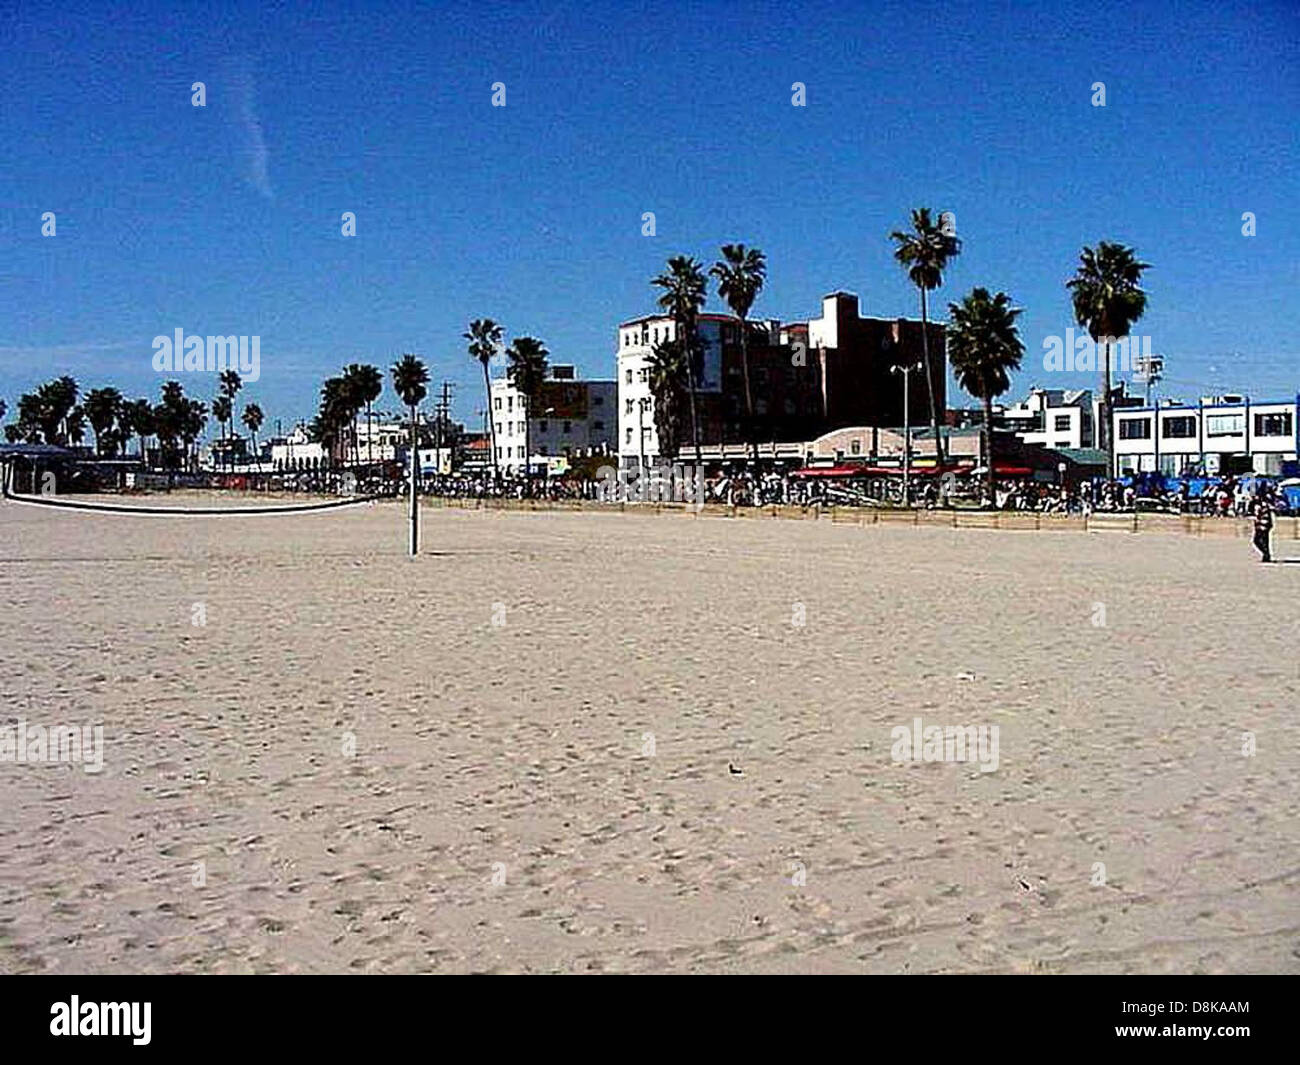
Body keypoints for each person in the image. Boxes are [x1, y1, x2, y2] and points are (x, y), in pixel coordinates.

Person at [1251, 488, 1274, 563]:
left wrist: (1257, 520)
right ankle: (1266, 555)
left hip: (1263, 524)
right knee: (1263, 541)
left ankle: (1266, 554)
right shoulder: (1261, 503)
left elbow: (1260, 514)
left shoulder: (1262, 503)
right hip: (1263, 524)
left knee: (1257, 540)